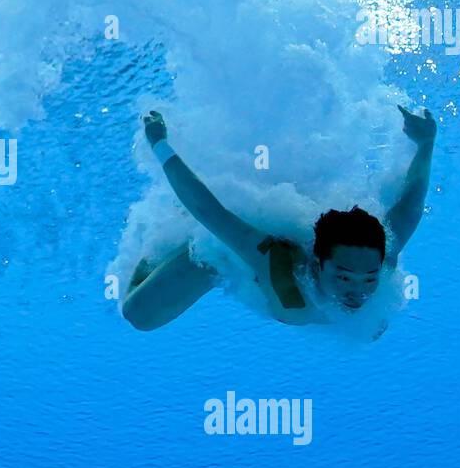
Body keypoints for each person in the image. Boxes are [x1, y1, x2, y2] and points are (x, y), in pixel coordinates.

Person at [122, 104, 436, 331]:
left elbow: (411, 205)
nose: (358, 292)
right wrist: (159, 143)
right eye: (343, 277)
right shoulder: (280, 266)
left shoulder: (382, 262)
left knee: (373, 331)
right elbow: (210, 212)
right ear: (315, 266)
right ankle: (169, 248)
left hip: (306, 265)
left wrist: (426, 142)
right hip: (230, 256)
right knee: (138, 315)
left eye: (369, 278)